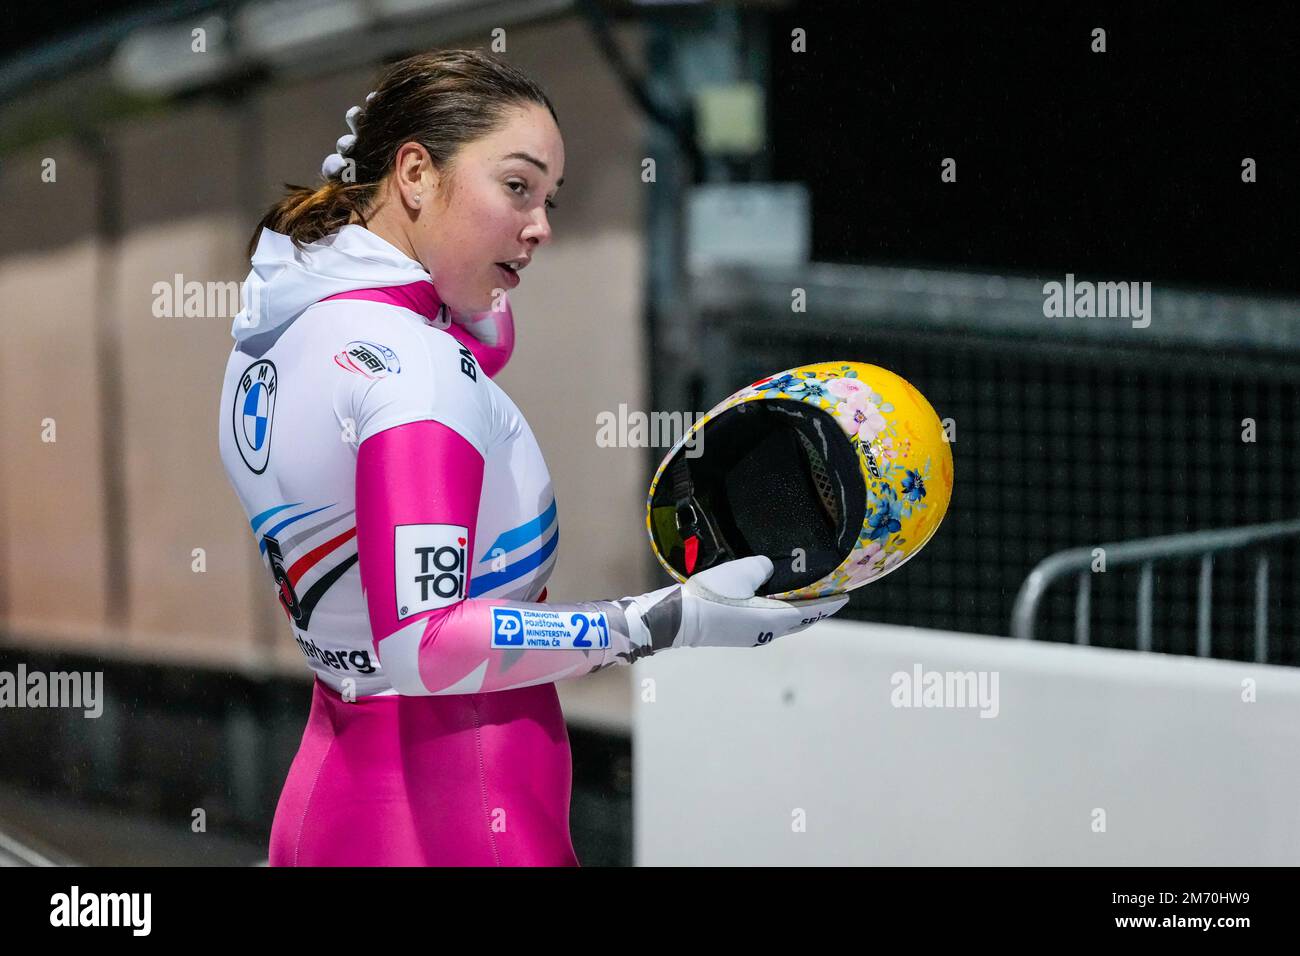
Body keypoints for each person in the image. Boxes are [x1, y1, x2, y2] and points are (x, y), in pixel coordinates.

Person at [217, 49, 847, 867]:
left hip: (337, 775)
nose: (542, 224)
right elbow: (429, 644)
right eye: (517, 187)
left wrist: (453, 312)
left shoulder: (278, 327)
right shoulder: (415, 371)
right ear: (414, 170)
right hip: (464, 792)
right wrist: (659, 622)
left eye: (548, 198)